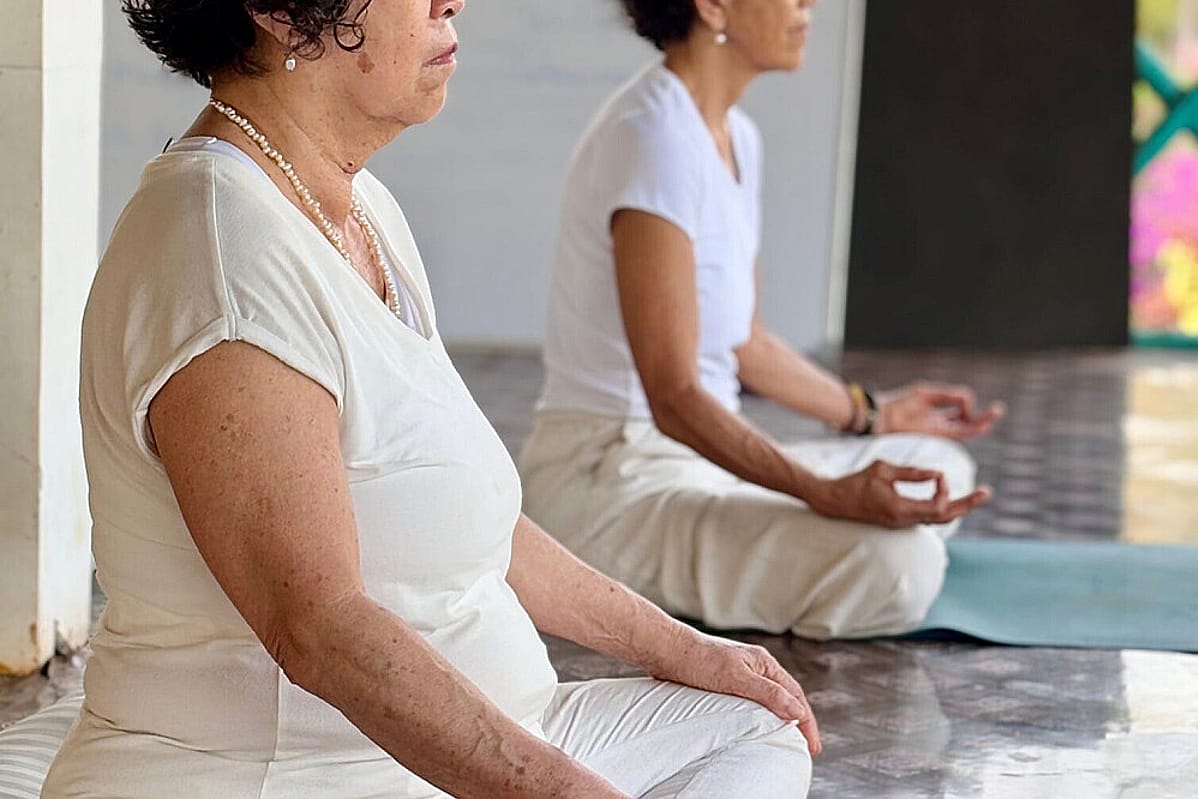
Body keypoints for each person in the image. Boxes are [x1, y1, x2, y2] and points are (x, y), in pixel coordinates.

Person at [41, 2, 820, 797]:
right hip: (303, 776)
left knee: (757, 723)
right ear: (283, 12)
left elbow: (472, 516)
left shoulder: (361, 210)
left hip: (482, 737)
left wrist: (684, 648)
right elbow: (317, 627)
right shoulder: (219, 250)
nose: (452, 2)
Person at [519, 0, 1005, 641]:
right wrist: (823, 493)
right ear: (712, 6)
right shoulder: (651, 138)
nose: (809, 5)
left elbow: (742, 338)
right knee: (901, 567)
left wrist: (871, 414)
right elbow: (674, 397)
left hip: (696, 458)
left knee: (937, 466)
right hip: (609, 479)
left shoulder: (736, 137)